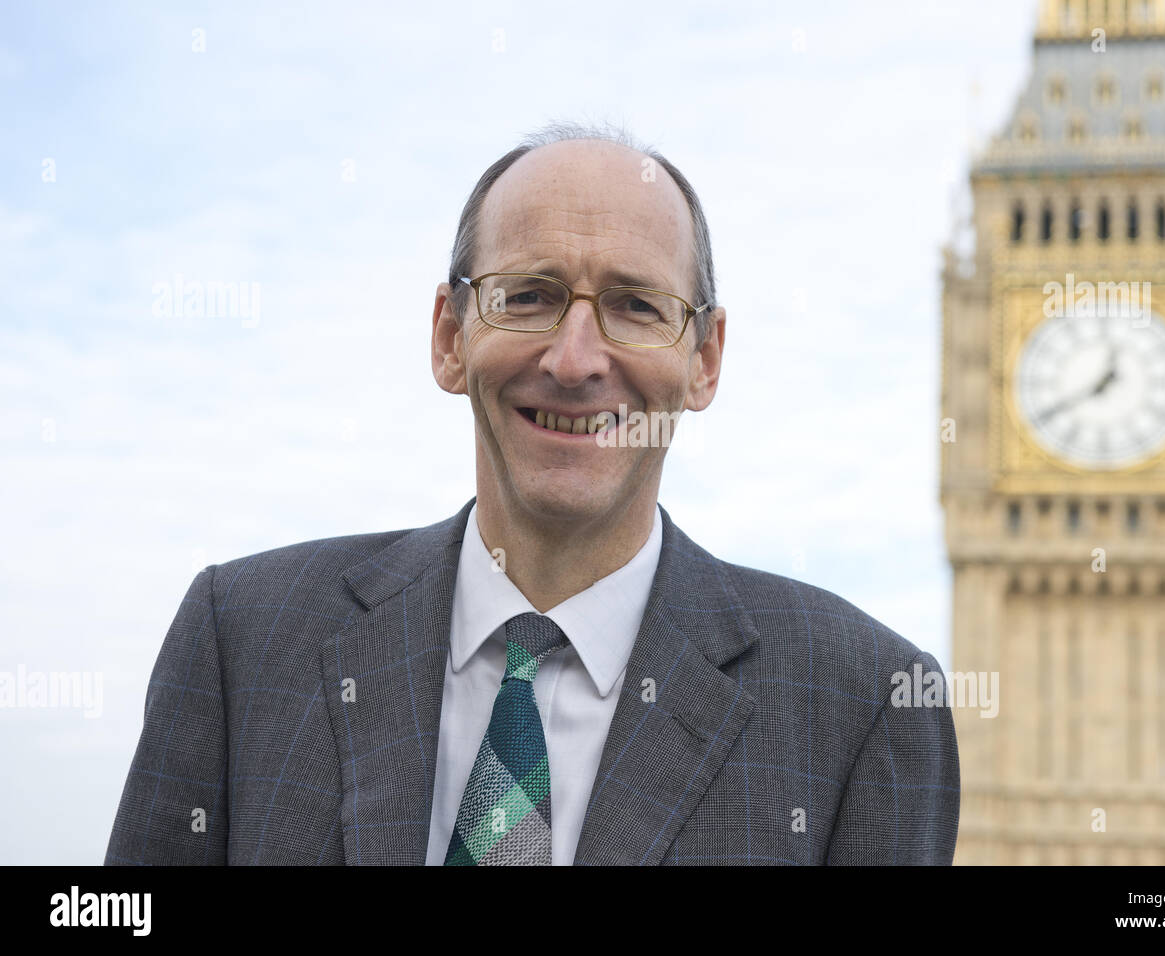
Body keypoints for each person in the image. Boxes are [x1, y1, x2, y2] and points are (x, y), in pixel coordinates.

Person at [105, 122, 959, 866]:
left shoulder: (863, 704)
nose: (576, 359)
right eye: (530, 297)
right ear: (449, 337)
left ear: (705, 359)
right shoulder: (242, 640)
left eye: (634, 304)